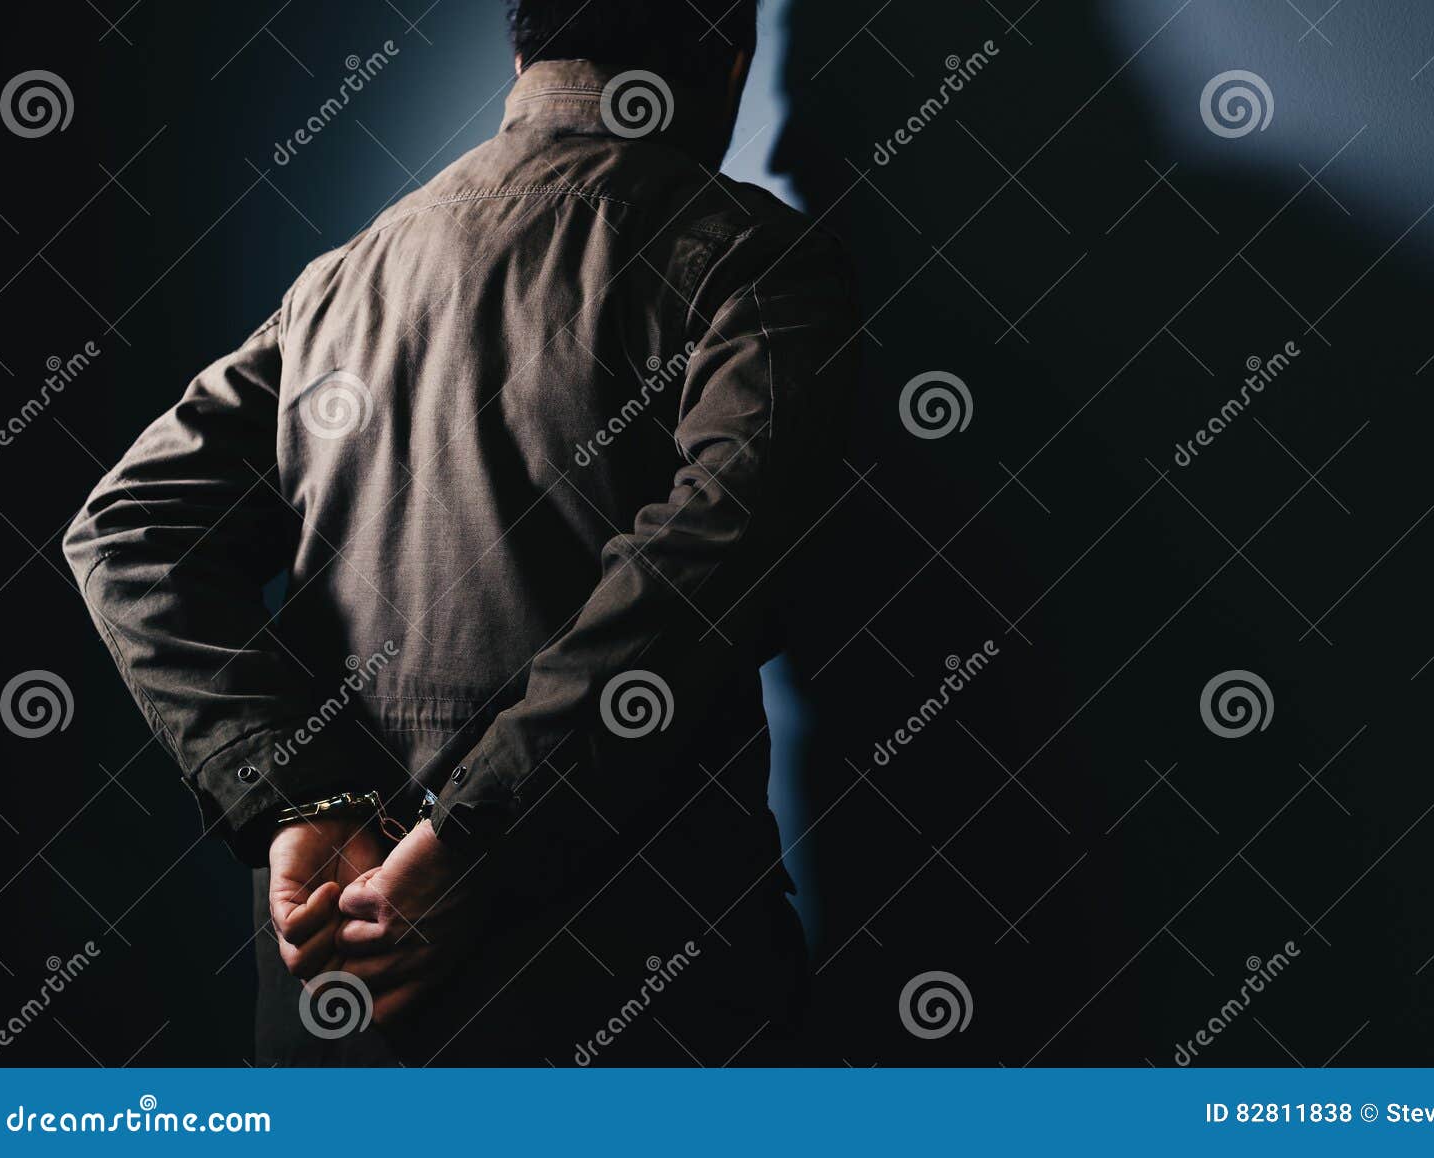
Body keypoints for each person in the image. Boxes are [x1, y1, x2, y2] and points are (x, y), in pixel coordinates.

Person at [62, 0, 856, 1065]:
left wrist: (296, 798)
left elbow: (124, 529)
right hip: (635, 1010)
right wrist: (472, 846)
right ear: (731, 58)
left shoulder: (339, 282)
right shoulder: (749, 258)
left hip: (337, 1000)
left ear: (521, 47)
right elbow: (704, 566)